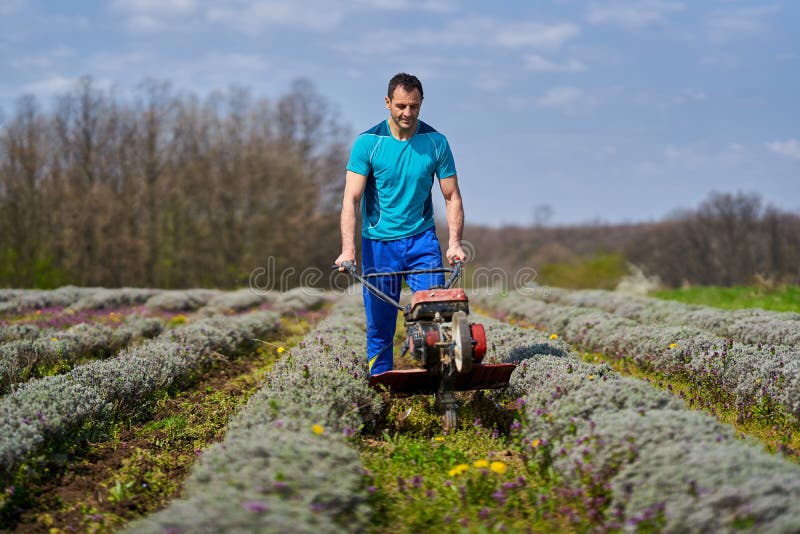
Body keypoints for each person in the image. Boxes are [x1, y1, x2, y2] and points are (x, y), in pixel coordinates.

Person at [334, 72, 467, 376]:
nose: (408, 113)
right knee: (380, 326)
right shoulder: (368, 143)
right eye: (401, 106)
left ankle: (439, 386)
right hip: (379, 245)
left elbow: (452, 197)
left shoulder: (436, 142)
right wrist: (348, 250)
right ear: (388, 103)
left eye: (415, 107)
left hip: (422, 242)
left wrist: (455, 243)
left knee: (435, 318)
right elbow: (350, 200)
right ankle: (382, 390)